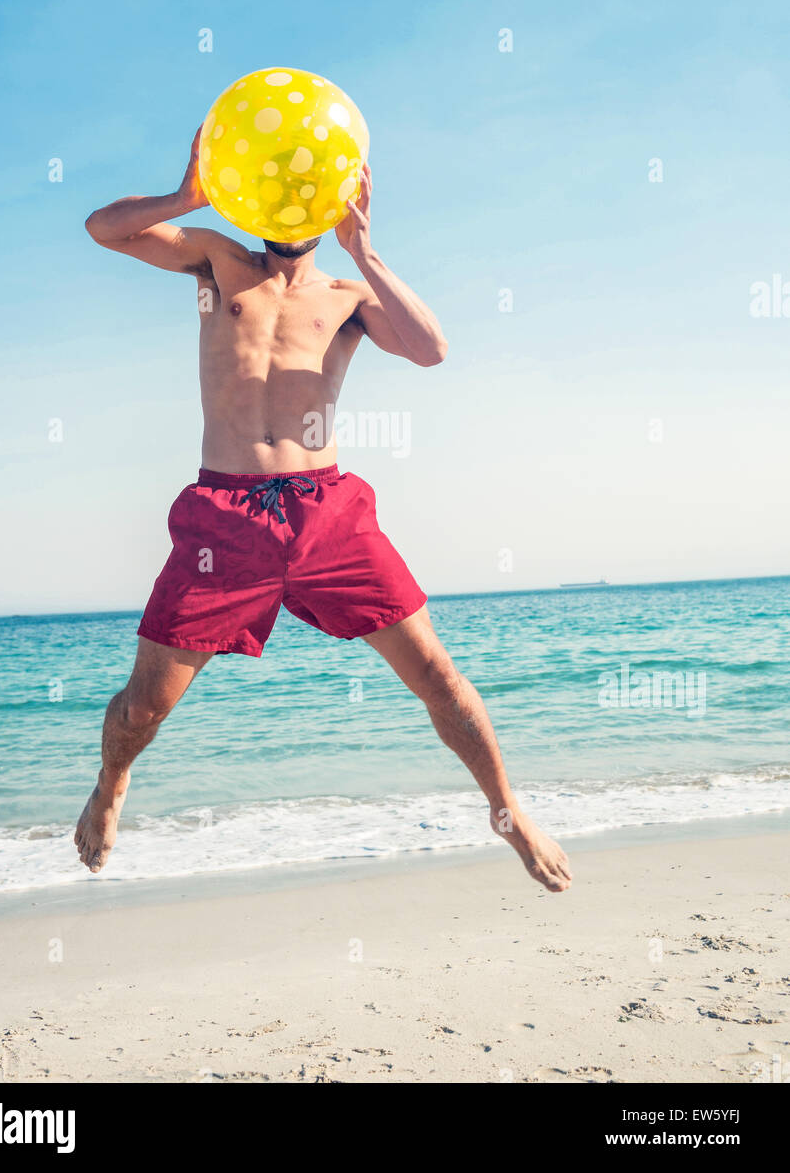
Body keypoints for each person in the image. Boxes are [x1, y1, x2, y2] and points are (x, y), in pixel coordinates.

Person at [75, 131, 572, 893]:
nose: (286, 209)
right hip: (224, 512)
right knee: (144, 707)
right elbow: (101, 231)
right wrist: (186, 195)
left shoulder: (348, 296)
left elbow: (432, 349)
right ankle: (112, 784)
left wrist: (366, 249)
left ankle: (508, 812)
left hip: (326, 510)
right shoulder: (217, 259)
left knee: (437, 674)